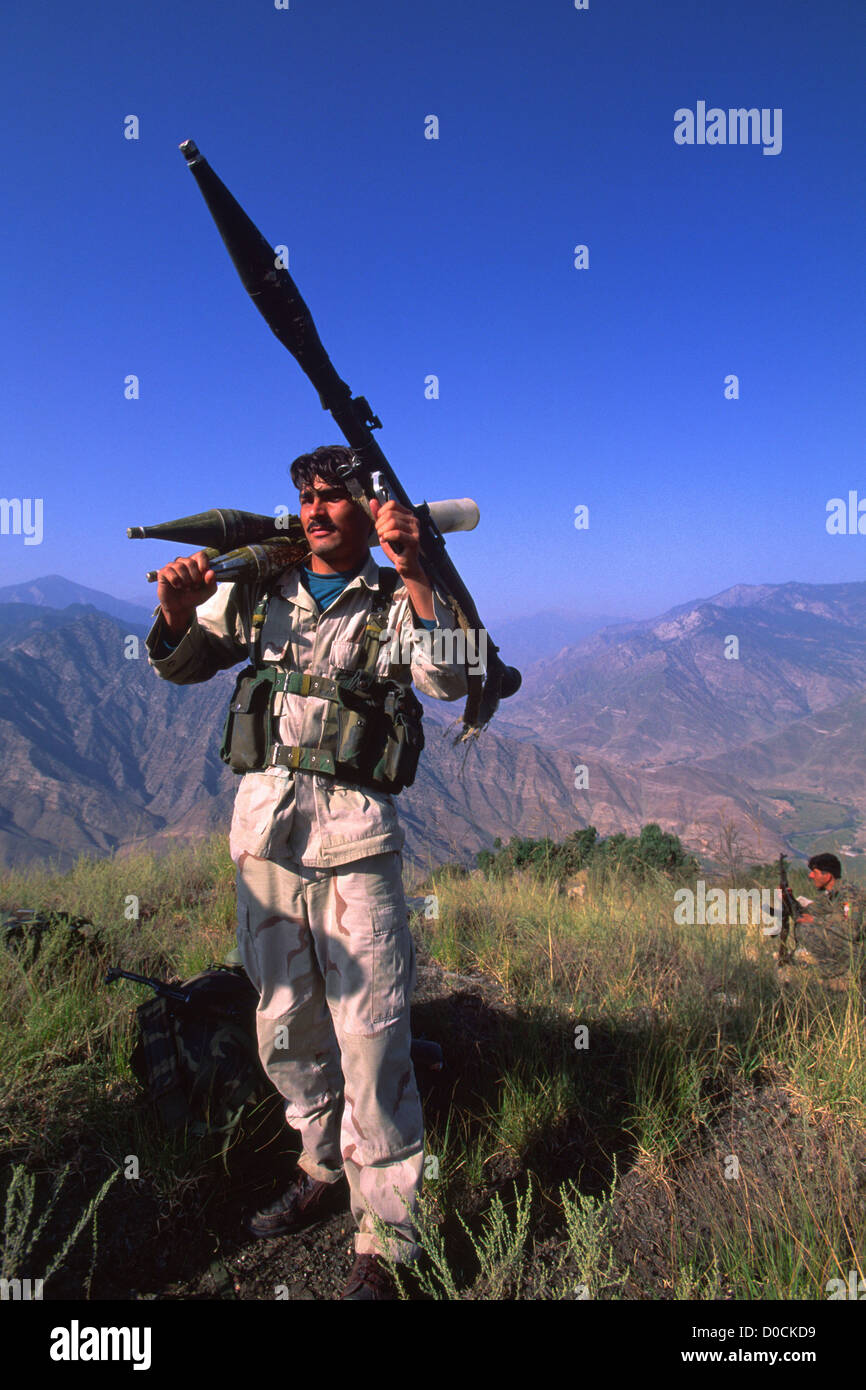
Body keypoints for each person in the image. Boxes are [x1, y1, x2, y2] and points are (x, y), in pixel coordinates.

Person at [145, 444, 468, 1299]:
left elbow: (449, 674)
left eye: (334, 498)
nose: (318, 511)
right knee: (283, 1023)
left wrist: (419, 568)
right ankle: (321, 1168)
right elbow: (185, 663)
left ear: (369, 512)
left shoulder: (399, 594)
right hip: (267, 845)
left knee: (373, 1036)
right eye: (307, 497)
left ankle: (388, 1238)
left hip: (356, 848)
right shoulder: (262, 585)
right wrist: (177, 613)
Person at [788, 852, 865, 989]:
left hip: (860, 953)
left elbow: (851, 929)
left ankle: (841, 976)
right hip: (856, 950)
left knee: (807, 929)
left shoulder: (848, 895)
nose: (811, 875)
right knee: (803, 924)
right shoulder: (832, 895)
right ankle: (837, 973)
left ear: (827, 875)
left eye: (814, 872)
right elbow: (808, 912)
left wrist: (816, 921)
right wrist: (789, 899)